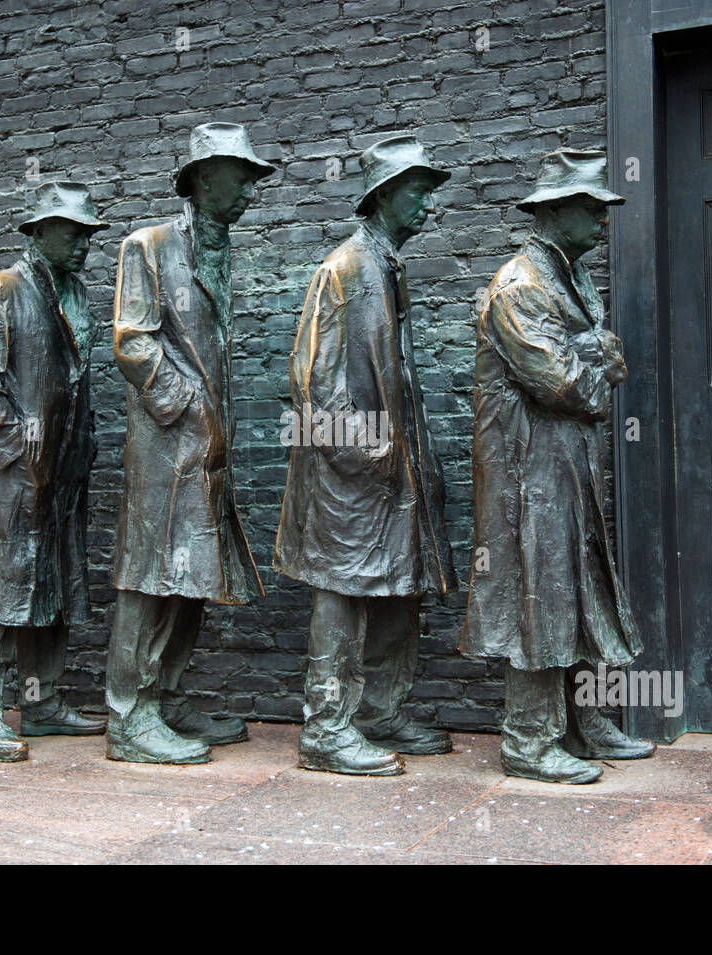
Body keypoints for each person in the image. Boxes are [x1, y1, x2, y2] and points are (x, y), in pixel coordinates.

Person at [462, 149, 655, 784]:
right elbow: (568, 386)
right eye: (593, 211)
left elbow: (584, 368)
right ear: (556, 212)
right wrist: (597, 359)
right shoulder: (521, 286)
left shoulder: (569, 275)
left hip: (565, 465)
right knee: (538, 594)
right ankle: (528, 737)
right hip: (528, 471)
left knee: (578, 587)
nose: (603, 223)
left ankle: (584, 721)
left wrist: (591, 356)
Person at [275, 134, 458, 776]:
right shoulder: (344, 270)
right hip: (353, 474)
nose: (430, 206)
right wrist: (376, 453)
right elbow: (314, 386)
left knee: (397, 590)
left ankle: (379, 710)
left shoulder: (387, 266)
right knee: (344, 592)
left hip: (393, 472)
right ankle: (327, 728)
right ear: (384, 196)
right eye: (419, 192)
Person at [106, 123, 275, 764]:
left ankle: (167, 696)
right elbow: (133, 340)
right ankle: (129, 715)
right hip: (166, 445)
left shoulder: (221, 249)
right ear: (204, 179)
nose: (250, 192)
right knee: (152, 575)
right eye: (241, 177)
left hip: (207, 448)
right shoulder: (147, 247)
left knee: (194, 574)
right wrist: (190, 406)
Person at [0, 181, 110, 762]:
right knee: (3, 586)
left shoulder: (76, 293)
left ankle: (40, 704)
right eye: (72, 233)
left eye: (88, 235)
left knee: (55, 584)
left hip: (64, 469)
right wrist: (23, 450)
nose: (83, 245)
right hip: (13, 474)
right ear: (39, 232)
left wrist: (73, 451)